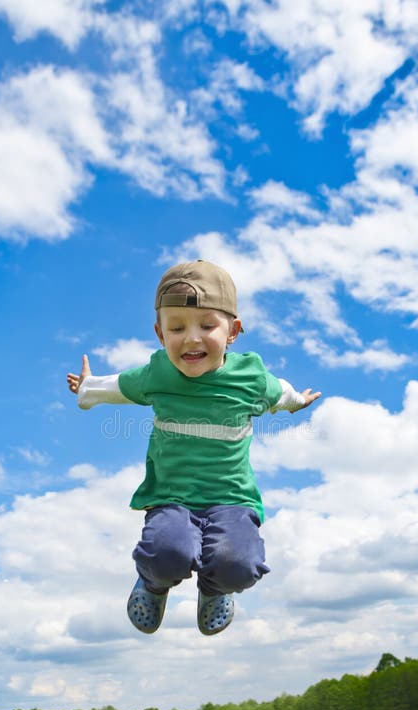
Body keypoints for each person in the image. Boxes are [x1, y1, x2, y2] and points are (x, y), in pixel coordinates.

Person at [67, 260, 320, 636]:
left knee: (239, 563)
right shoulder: (159, 374)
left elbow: (279, 392)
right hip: (172, 498)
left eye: (207, 326)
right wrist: (88, 389)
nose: (191, 338)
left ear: (232, 331)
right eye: (177, 328)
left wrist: (297, 400)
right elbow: (118, 386)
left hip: (231, 499)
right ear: (160, 333)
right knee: (168, 553)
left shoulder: (249, 378)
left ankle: (215, 590)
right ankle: (153, 585)